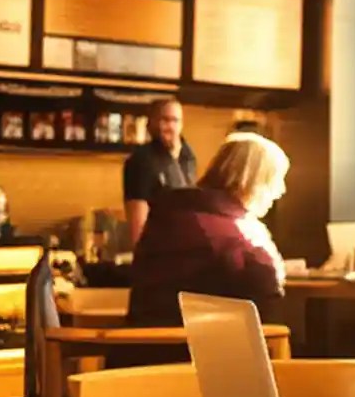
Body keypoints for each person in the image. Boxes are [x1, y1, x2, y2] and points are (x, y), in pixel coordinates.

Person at [128, 132, 289, 329]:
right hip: (190, 353)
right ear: (252, 180)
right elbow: (267, 283)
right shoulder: (223, 228)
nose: (281, 190)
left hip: (145, 349)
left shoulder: (180, 210)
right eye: (275, 179)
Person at [123, 98, 196, 246]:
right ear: (150, 124)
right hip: (159, 249)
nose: (169, 127)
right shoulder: (141, 160)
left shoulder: (188, 156)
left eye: (175, 120)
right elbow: (138, 221)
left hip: (186, 246)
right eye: (163, 120)